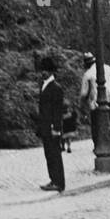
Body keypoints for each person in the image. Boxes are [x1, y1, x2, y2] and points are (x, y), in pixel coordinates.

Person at [79, 52, 110, 143]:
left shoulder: (87, 74)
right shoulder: (105, 67)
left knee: (97, 124)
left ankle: (98, 143)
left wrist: (82, 102)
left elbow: (83, 93)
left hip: (96, 101)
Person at [38, 62, 65, 192]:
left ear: (51, 72)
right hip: (45, 125)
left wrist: (56, 128)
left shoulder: (55, 88)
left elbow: (57, 110)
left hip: (52, 126)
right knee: (49, 153)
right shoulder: (44, 85)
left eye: (45, 70)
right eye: (42, 70)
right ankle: (53, 179)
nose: (43, 73)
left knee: (54, 154)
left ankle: (58, 182)